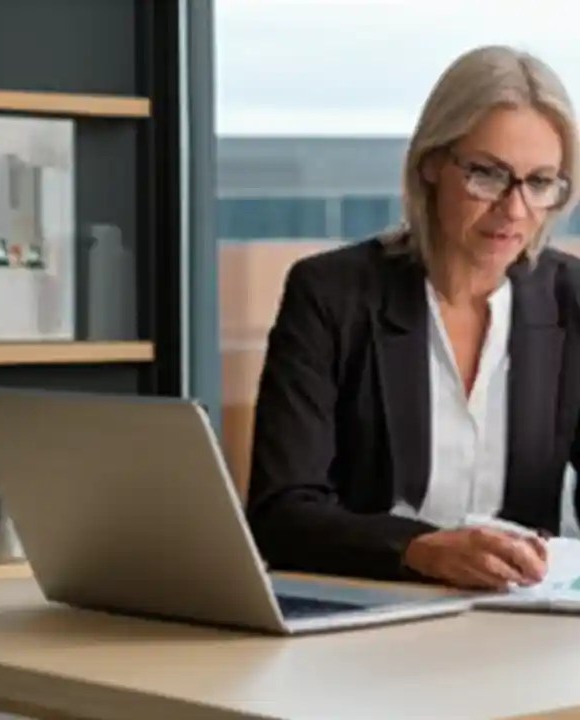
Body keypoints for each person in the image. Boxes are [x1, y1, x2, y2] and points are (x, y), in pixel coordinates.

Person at [246, 45, 580, 591]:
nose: (515, 210)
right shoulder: (332, 294)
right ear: (431, 163)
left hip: (521, 625)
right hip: (365, 617)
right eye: (488, 175)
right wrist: (418, 551)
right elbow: (281, 512)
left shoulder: (572, 299)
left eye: (540, 182)